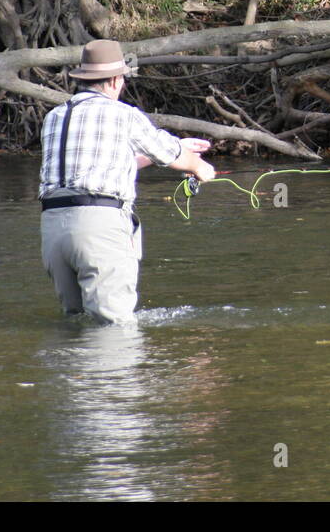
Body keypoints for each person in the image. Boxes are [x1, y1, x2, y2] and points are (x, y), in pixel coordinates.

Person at [39, 39, 216, 325]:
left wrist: (170, 151)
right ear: (114, 80)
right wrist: (200, 167)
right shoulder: (123, 114)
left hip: (53, 230)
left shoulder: (54, 116)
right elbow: (172, 155)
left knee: (76, 321)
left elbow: (100, 167)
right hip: (100, 227)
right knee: (114, 326)